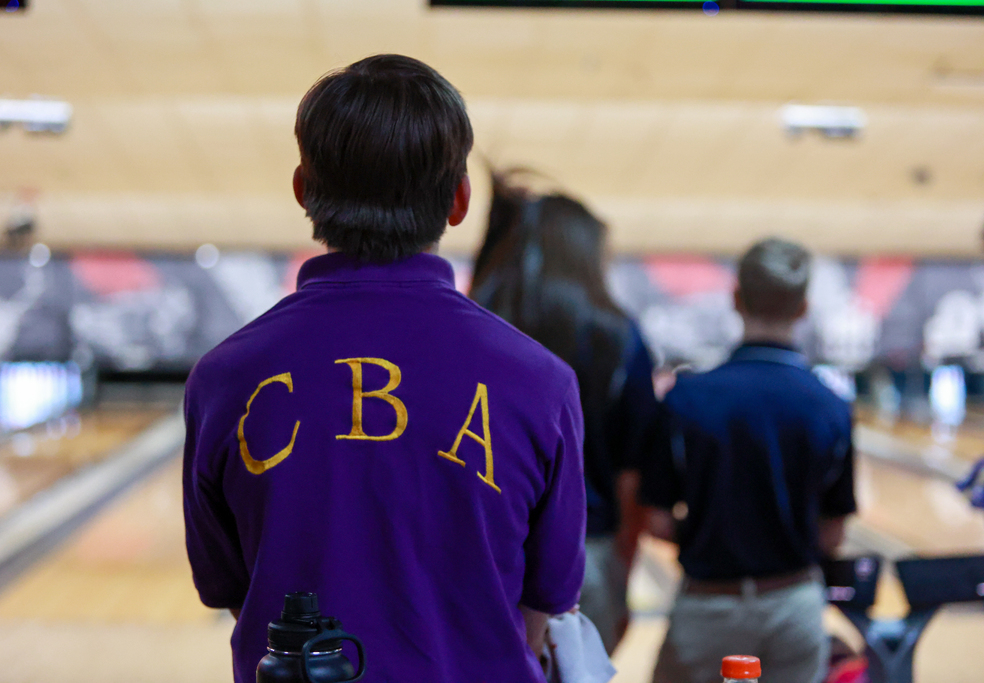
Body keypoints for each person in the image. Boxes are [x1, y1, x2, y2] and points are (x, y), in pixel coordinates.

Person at [182, 55, 587, 683]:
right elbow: (546, 601)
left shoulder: (223, 380)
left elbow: (235, 592)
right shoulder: (542, 382)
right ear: (459, 200)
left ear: (302, 190)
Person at [639, 237, 856, 683]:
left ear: (735, 299)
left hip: (707, 605)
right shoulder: (830, 405)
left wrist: (711, 534)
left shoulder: (686, 400)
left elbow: (657, 522)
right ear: (803, 308)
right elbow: (832, 534)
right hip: (793, 605)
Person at [470, 173, 658, 653]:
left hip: (484, 551)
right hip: (587, 556)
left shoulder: (478, 323)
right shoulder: (619, 334)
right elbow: (631, 476)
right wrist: (624, 574)